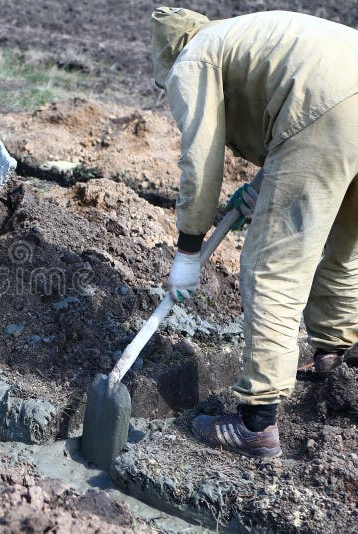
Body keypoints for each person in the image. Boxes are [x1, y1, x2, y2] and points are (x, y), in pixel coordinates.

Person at [152, 7, 358, 458]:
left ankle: (256, 423)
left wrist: (188, 251)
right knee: (346, 246)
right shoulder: (241, 38)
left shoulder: (193, 58)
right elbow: (292, 102)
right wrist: (261, 185)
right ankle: (333, 360)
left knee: (272, 267)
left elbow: (200, 163)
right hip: (340, 96)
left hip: (328, 108)